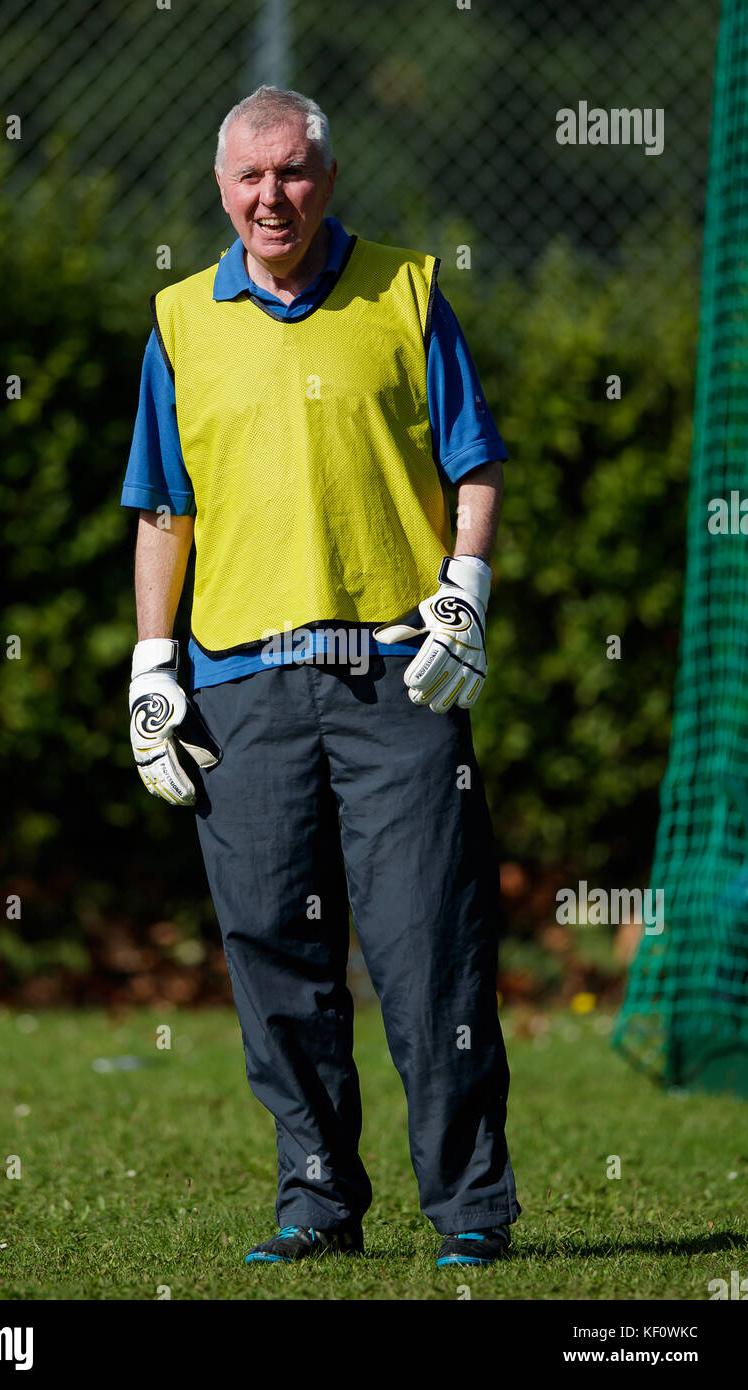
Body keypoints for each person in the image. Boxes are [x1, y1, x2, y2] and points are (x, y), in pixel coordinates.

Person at [121, 84, 521, 1268]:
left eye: (290, 172)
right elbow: (162, 510)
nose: (269, 196)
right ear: (220, 188)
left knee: (425, 950)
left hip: (397, 681)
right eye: (248, 176)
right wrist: (153, 666)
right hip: (240, 689)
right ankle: (313, 1201)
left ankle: (469, 1212)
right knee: (268, 949)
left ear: (326, 179)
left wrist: (466, 590)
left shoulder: (405, 292)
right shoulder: (181, 320)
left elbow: (476, 465)